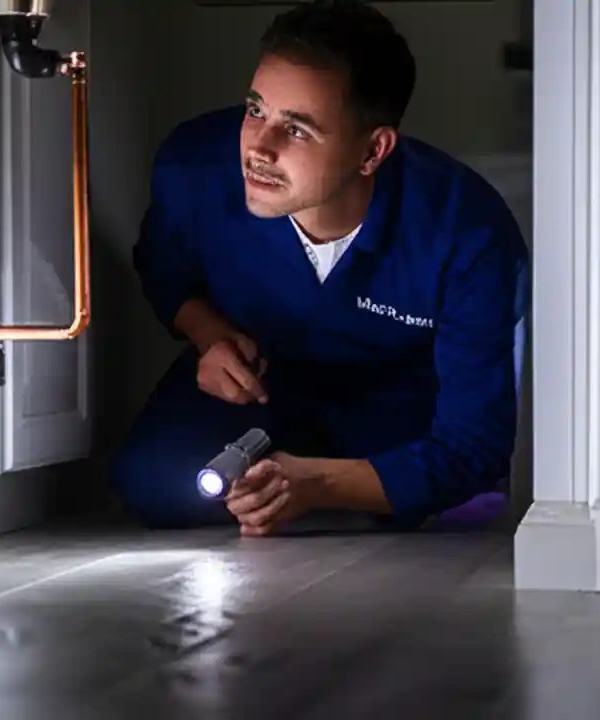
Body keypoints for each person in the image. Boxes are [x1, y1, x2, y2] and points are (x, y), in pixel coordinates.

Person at [110, 0, 528, 535]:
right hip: (259, 386)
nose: (259, 147)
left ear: (373, 151)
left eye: (298, 129)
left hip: (394, 406)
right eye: (256, 109)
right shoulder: (195, 165)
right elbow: (163, 267)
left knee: (431, 485)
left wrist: (321, 486)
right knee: (149, 482)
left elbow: (476, 442)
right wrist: (209, 333)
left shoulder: (469, 233)